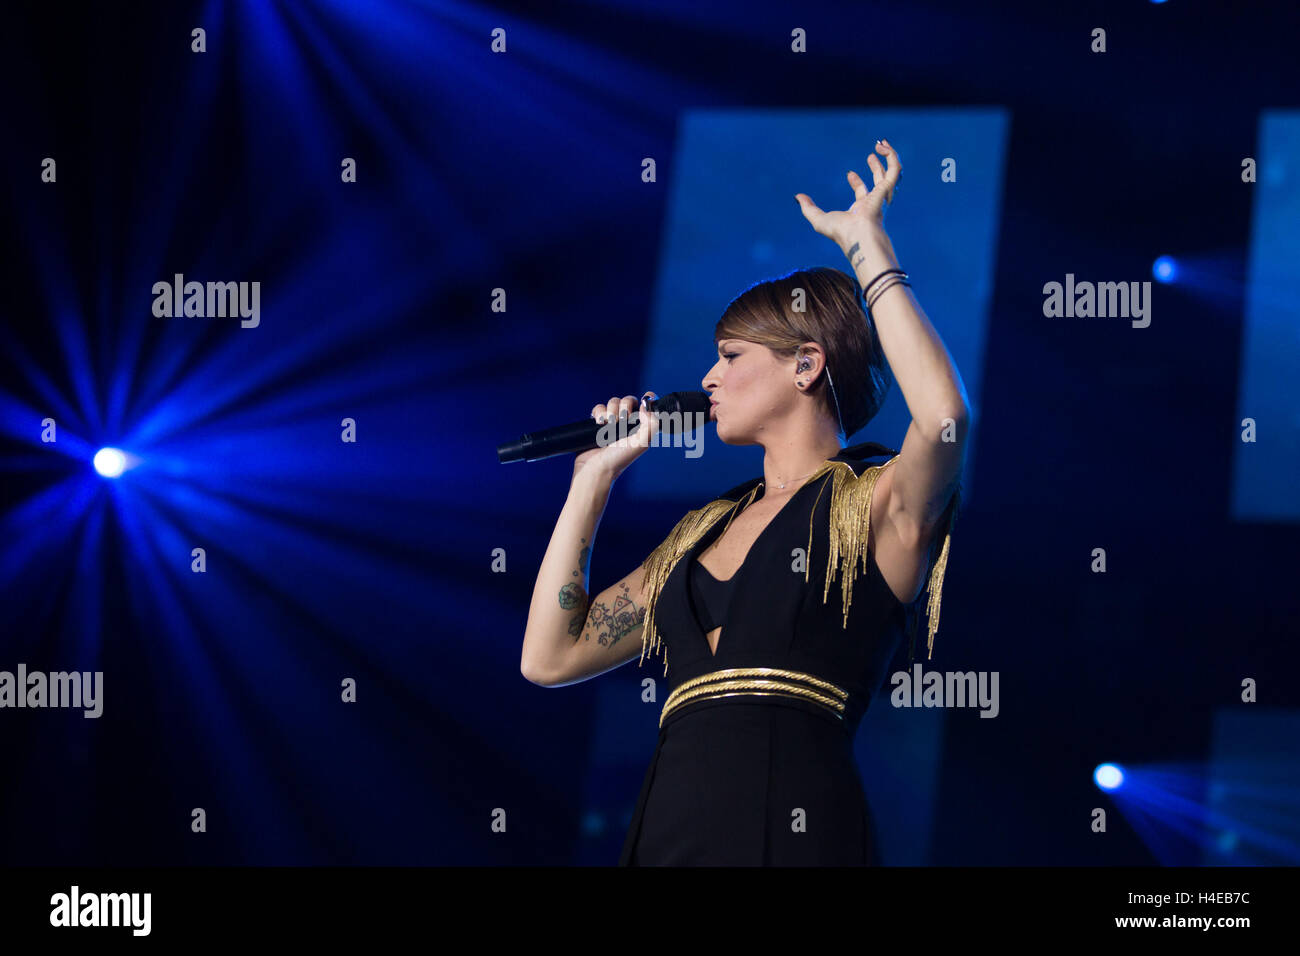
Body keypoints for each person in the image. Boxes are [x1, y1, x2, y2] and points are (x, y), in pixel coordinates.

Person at [521, 140, 970, 864]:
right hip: (669, 833)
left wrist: (868, 247)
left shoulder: (873, 503)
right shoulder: (698, 535)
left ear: (806, 363)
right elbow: (550, 655)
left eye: (731, 356)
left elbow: (945, 415)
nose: (709, 376)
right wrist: (591, 482)